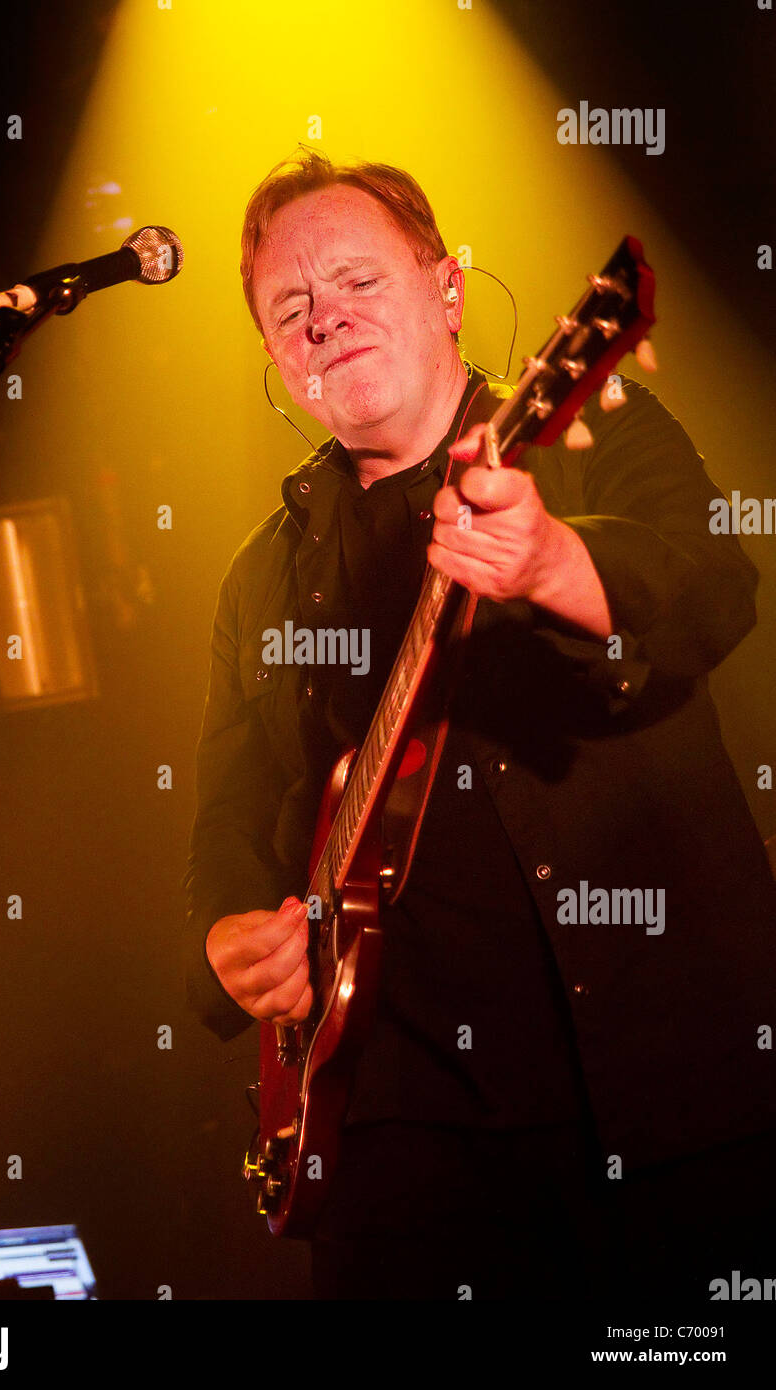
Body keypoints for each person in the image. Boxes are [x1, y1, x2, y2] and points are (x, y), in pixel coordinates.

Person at [184, 147, 776, 1300]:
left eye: (356, 281)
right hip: (396, 1139)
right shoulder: (258, 581)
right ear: (270, 353)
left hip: (663, 1098)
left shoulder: (594, 421)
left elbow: (717, 586)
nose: (325, 321)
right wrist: (223, 938)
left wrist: (556, 560)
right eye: (290, 307)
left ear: (446, 288)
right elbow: (227, 812)